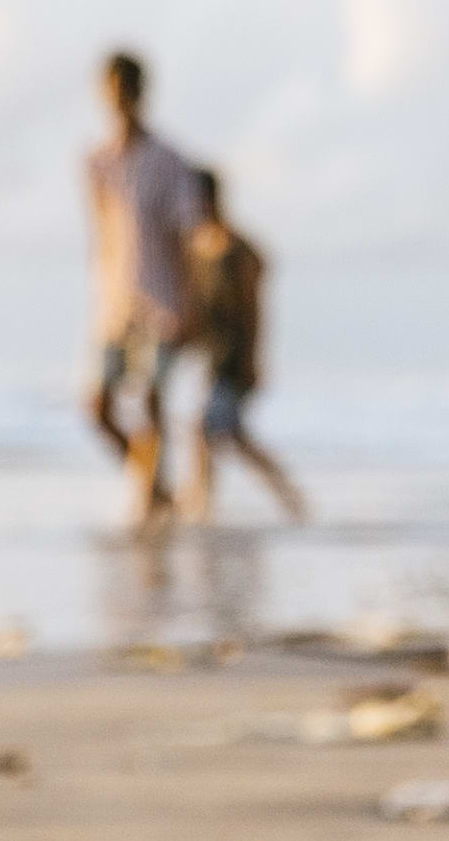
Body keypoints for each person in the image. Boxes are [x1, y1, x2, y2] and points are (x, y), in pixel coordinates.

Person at [85, 51, 202, 523]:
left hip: (164, 299)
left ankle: (152, 504)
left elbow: (186, 237)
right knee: (99, 405)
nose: (120, 102)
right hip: (116, 304)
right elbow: (104, 238)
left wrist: (191, 303)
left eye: (126, 92)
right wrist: (101, 302)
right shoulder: (97, 162)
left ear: (140, 93)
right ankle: (157, 490)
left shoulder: (169, 160)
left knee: (153, 398)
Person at [180, 168, 305, 520]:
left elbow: (254, 312)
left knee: (207, 432)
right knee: (223, 435)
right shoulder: (197, 247)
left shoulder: (237, 250)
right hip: (213, 357)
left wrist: (254, 360)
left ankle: (203, 506)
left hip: (235, 358)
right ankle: (286, 497)